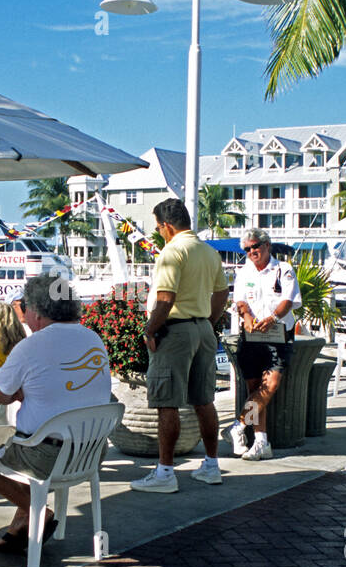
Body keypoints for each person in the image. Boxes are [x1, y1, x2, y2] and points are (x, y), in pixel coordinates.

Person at [0, 275, 111, 552]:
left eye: (24, 307)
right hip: (90, 453)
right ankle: (23, 523)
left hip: (46, 457)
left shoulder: (30, 346)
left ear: (37, 312)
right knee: (34, 440)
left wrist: (20, 391)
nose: (23, 314)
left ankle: (36, 509)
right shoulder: (93, 338)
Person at [129, 198, 230, 492]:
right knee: (204, 400)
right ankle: (212, 466)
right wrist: (207, 322)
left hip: (176, 331)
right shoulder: (208, 252)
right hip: (202, 330)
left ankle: (164, 473)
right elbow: (222, 294)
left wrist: (149, 330)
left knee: (166, 402)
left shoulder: (172, 252)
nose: (159, 233)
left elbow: (165, 299)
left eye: (159, 228)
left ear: (168, 226)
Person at [227, 228, 301, 461]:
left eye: (255, 247)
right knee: (255, 390)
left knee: (270, 386)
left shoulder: (284, 270)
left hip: (278, 336)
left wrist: (273, 319)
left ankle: (239, 426)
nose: (251, 252)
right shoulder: (244, 272)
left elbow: (288, 301)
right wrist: (246, 315)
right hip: (251, 338)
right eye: (247, 249)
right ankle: (261, 442)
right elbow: (239, 300)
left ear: (267, 245)